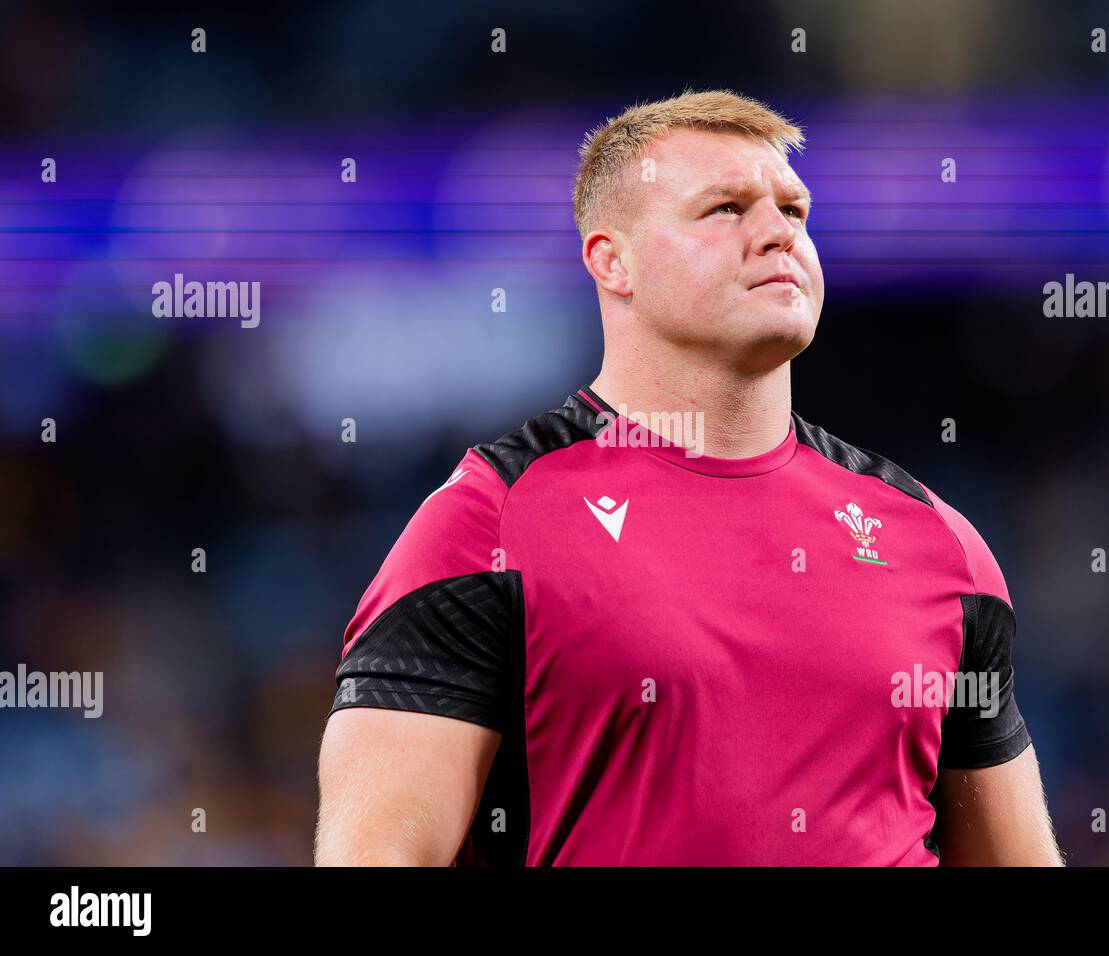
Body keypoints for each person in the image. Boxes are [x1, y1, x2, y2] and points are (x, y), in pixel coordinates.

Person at [314, 88, 1063, 866]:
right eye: (725, 209)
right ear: (613, 261)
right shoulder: (489, 527)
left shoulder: (937, 545)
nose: (778, 234)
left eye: (795, 211)